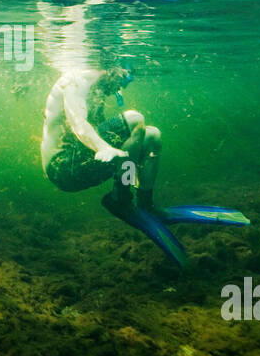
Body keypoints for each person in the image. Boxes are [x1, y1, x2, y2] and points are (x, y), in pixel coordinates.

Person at [41, 66, 188, 264]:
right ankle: (120, 197)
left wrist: (129, 165)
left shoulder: (98, 87)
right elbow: (78, 125)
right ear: (111, 69)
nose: (120, 87)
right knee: (135, 119)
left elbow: (108, 136)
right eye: (123, 79)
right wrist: (103, 147)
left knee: (152, 136)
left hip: (83, 163)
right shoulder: (76, 80)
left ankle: (145, 202)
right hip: (62, 168)